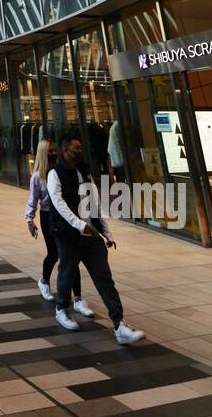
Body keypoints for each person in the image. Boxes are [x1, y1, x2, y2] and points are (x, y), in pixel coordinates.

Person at [47, 130, 143, 345]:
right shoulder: (55, 174)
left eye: (80, 148)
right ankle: (62, 308)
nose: (80, 152)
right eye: (76, 149)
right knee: (68, 271)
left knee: (104, 278)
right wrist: (79, 224)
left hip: (91, 234)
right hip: (67, 234)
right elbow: (58, 203)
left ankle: (120, 325)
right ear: (65, 150)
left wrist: (106, 231)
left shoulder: (84, 170)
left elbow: (95, 202)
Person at [25, 137, 93, 315]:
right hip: (48, 216)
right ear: (43, 154)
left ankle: (77, 298)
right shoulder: (38, 176)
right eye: (50, 152)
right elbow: (32, 200)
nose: (54, 155)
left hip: (66, 215)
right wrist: (29, 220)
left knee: (70, 256)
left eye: (55, 151)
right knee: (54, 253)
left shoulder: (61, 171)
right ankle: (44, 281)